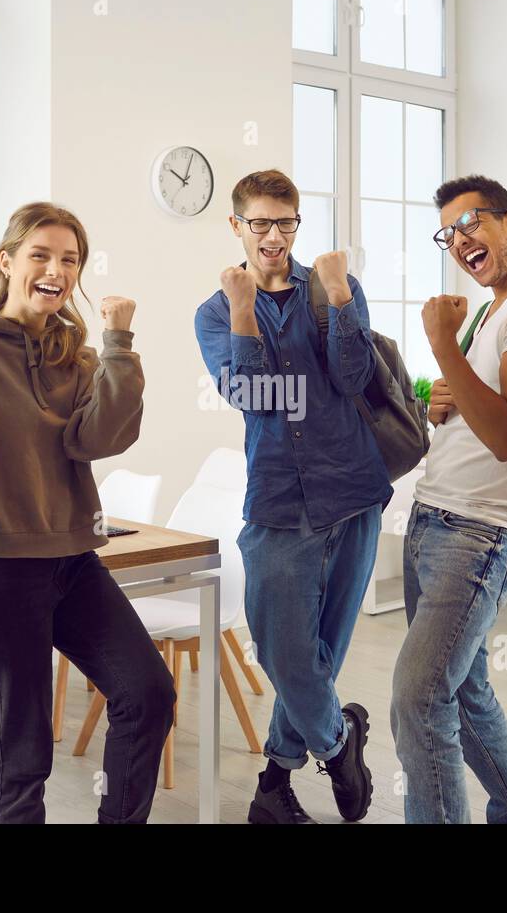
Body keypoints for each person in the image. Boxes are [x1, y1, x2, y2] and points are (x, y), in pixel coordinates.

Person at [0, 202, 175, 824]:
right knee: (23, 750)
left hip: (74, 563)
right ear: (8, 261)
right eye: (40, 254)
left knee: (147, 693)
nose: (56, 270)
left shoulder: (78, 355)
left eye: (70, 260)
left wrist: (118, 343)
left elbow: (98, 441)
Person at [194, 169, 391, 824]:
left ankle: (273, 786)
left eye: (286, 222)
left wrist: (338, 295)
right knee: (281, 648)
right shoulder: (216, 311)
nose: (273, 236)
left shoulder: (334, 287)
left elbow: (353, 375)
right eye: (260, 222)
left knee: (321, 652)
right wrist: (246, 307)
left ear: (298, 224)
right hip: (278, 498)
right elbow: (251, 394)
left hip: (354, 491)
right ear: (237, 226)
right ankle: (340, 746)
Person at [390, 175, 507, 824]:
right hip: (436, 517)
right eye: (449, 232)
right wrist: (441, 394)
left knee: (418, 697)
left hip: (481, 532)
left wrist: (442, 344)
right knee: (463, 691)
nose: (461, 238)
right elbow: (483, 409)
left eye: (473, 221)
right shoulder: (496, 310)